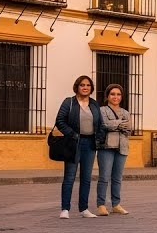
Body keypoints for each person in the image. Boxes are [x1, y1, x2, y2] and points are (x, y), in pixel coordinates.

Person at [55, 75, 102, 219]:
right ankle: (65, 209)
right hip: (73, 143)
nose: (85, 87)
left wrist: (99, 138)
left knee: (86, 178)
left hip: (90, 144)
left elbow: (99, 123)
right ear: (77, 87)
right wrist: (73, 134)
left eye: (88, 85)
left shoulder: (94, 104)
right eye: (82, 85)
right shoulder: (69, 102)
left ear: (91, 88)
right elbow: (60, 121)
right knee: (69, 176)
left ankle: (84, 209)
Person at [96, 84, 132, 216]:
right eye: (112, 94)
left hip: (122, 147)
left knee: (117, 178)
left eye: (118, 94)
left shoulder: (126, 112)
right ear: (107, 96)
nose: (115, 97)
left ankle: (116, 204)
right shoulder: (102, 110)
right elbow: (105, 124)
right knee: (104, 177)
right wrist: (120, 123)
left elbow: (129, 129)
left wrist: (115, 124)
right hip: (106, 147)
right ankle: (101, 205)